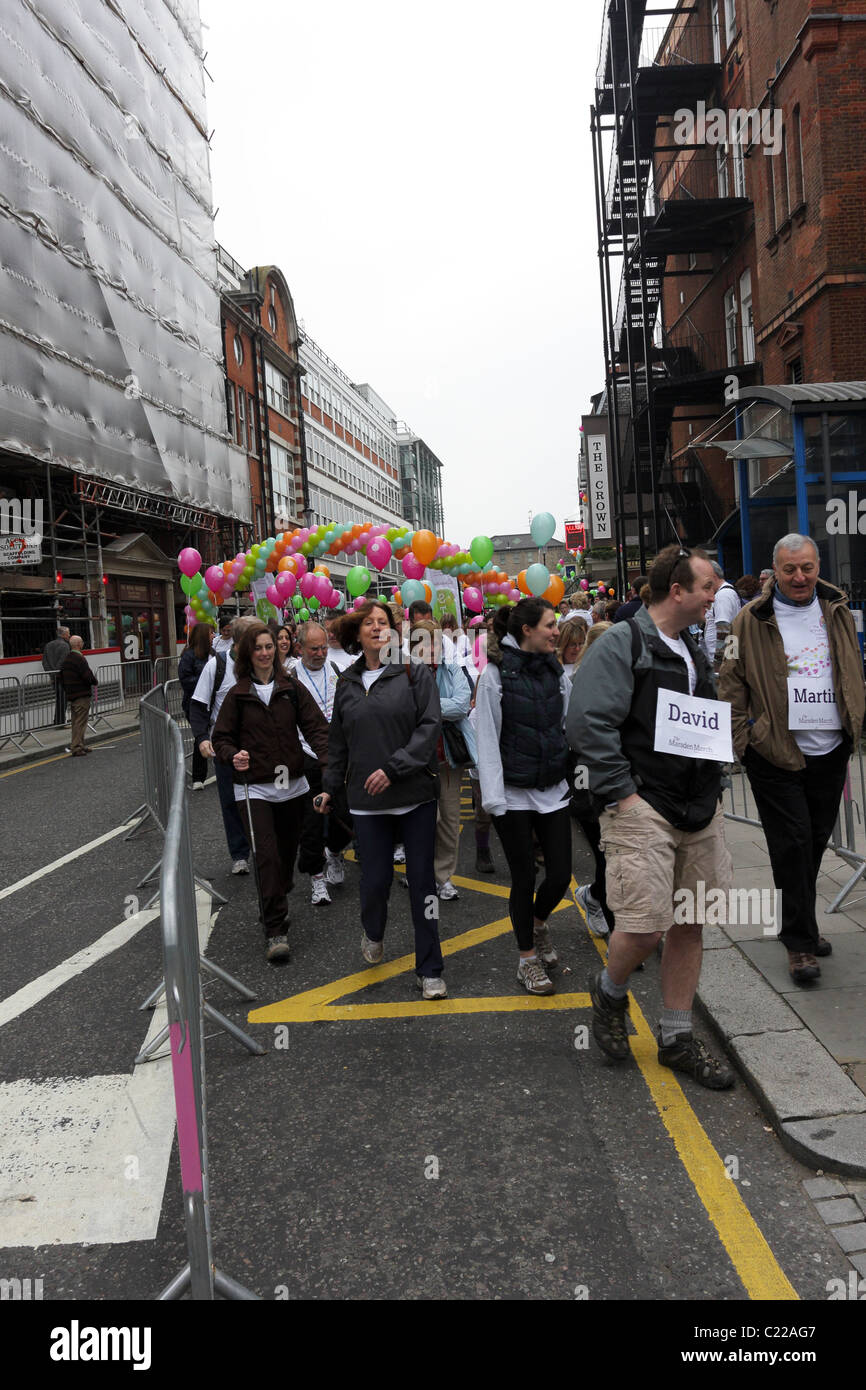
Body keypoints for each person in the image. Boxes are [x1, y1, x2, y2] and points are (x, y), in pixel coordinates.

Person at [567, 544, 736, 1089]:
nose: (716, 595)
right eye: (708, 586)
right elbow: (587, 723)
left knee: (690, 922)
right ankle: (610, 991)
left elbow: (701, 722)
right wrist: (623, 793)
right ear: (678, 591)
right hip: (643, 808)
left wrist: (718, 776)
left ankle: (676, 1038)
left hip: (697, 808)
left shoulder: (691, 646)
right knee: (642, 926)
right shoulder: (623, 642)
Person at [719, 533, 865, 984]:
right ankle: (799, 945)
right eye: (789, 569)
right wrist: (744, 739)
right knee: (792, 844)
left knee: (816, 840)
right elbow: (730, 680)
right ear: (774, 571)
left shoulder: (836, 610)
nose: (799, 577)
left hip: (830, 748)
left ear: (817, 566)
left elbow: (849, 665)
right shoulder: (749, 619)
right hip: (775, 752)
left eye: (806, 568)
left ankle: (801, 924)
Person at [317, 599, 447, 999]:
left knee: (424, 885)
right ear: (358, 633)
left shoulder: (413, 672)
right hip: (365, 803)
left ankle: (430, 968)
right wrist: (329, 784)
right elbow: (338, 742)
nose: (378, 628)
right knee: (375, 882)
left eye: (384, 622)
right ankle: (373, 931)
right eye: (369, 623)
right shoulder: (347, 682)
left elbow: (430, 727)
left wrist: (394, 768)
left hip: (414, 796)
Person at [212, 621, 329, 962]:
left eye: (269, 647)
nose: (264, 653)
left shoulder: (290, 688)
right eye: (258, 648)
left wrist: (328, 766)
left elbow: (316, 728)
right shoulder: (237, 695)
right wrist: (233, 754)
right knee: (266, 857)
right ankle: (276, 930)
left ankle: (277, 889)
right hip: (255, 790)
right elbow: (221, 739)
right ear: (247, 654)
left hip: (293, 787)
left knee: (284, 858)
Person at [475, 598, 574, 996]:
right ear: (527, 630)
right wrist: (495, 799)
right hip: (513, 794)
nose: (556, 631)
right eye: (550, 625)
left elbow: (568, 722)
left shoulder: (555, 670)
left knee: (562, 874)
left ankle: (536, 920)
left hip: (552, 788)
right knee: (523, 876)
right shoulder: (495, 675)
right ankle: (527, 959)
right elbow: (486, 738)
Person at [411, 617, 477, 901]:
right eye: (426, 644)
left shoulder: (451, 668)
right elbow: (404, 711)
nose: (432, 649)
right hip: (418, 761)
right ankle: (422, 875)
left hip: (448, 757)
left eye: (436, 642)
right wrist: (439, 710)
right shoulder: (403, 674)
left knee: (449, 822)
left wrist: (428, 709)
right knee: (427, 821)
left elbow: (462, 704)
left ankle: (444, 878)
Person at [189, 615, 259, 875]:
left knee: (266, 798)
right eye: (254, 641)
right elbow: (198, 706)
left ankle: (267, 846)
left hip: (260, 745)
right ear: (239, 641)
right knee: (231, 802)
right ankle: (240, 853)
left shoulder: (263, 662)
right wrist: (202, 738)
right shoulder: (216, 666)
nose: (261, 647)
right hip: (227, 746)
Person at [292, 621, 354, 902]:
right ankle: (317, 879)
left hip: (337, 757)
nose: (320, 653)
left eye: (323, 647)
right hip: (306, 757)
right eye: (313, 648)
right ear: (299, 648)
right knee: (311, 822)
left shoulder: (339, 672)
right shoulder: (289, 677)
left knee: (346, 815)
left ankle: (335, 852)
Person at [178, 622, 213, 788]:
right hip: (194, 704)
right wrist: (206, 680)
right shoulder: (189, 656)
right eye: (211, 634)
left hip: (212, 703)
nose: (214, 636)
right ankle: (199, 778)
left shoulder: (212, 654)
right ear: (203, 636)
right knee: (201, 736)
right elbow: (185, 680)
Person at [60, 636, 97, 756]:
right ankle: (76, 747)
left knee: (76, 722)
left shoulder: (67, 659)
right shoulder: (79, 658)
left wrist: (68, 690)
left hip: (72, 694)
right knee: (80, 722)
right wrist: (94, 681)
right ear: (79, 644)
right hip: (81, 694)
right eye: (82, 642)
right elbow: (87, 675)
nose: (83, 644)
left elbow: (60, 677)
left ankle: (80, 744)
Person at [702, 562, 741, 671]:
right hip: (727, 659)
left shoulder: (723, 595)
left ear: (713, 576)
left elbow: (724, 630)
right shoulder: (727, 593)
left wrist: (718, 664)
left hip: (721, 663)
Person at [43, 625, 71, 726]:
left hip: (53, 677)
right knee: (62, 700)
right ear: (63, 634)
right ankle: (60, 722)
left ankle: (58, 721)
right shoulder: (65, 645)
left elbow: (45, 663)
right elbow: (63, 663)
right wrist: (57, 674)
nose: (69, 635)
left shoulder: (48, 645)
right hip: (62, 677)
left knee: (59, 699)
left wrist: (51, 675)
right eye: (68, 633)